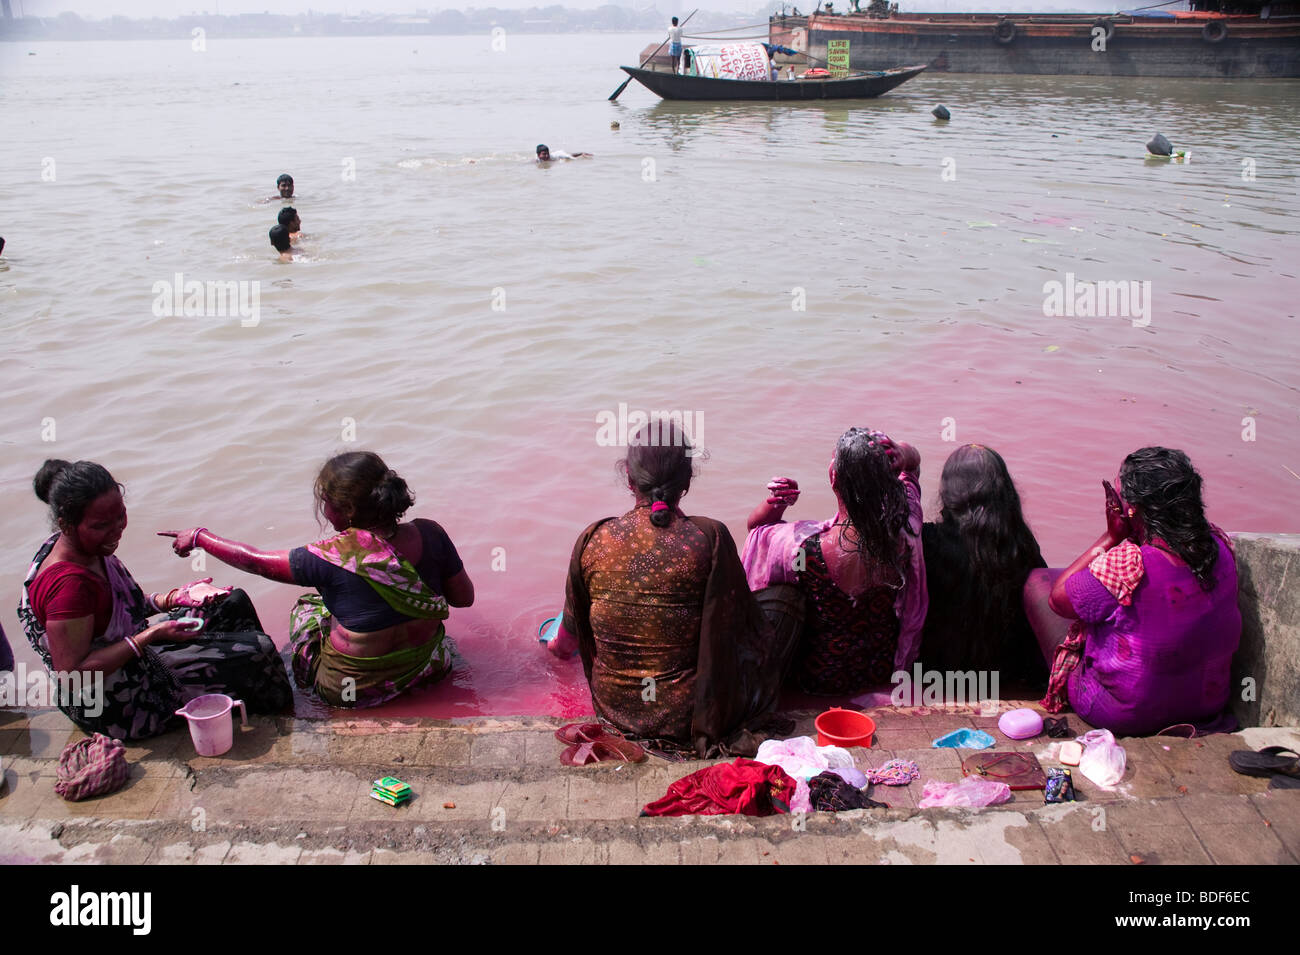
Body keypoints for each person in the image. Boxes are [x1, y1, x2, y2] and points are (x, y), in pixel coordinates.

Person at [162, 451, 474, 709]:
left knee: (308, 609)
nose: (324, 510)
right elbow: (463, 598)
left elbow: (255, 561)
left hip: (354, 691)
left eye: (326, 501)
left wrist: (200, 537)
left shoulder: (328, 557)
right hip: (428, 669)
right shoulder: (431, 533)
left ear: (348, 509)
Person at [551, 421, 785, 756]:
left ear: (629, 479)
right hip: (687, 717)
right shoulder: (709, 537)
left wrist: (551, 647)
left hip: (615, 711)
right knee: (777, 605)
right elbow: (741, 629)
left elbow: (566, 643)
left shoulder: (593, 539)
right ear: (687, 481)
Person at [18, 460, 291, 741]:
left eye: (120, 517)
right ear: (67, 523)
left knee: (233, 602)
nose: (116, 530)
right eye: (101, 525)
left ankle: (240, 687)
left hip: (128, 658)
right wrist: (150, 636)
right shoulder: (69, 585)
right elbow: (74, 673)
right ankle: (262, 717)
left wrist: (174, 599)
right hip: (112, 703)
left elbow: (117, 610)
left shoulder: (85, 548)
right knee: (260, 651)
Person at [1023, 447, 1240, 736]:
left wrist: (1112, 535)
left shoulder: (1128, 565)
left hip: (1125, 714)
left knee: (1039, 582)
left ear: (1132, 509)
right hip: (1206, 706)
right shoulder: (1221, 548)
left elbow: (1058, 600)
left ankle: (1044, 682)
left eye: (1118, 496)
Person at [742, 428, 927, 696]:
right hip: (880, 667)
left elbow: (757, 532)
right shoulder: (907, 531)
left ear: (833, 477)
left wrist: (777, 504)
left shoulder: (801, 546)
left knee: (784, 594)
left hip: (820, 676)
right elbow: (913, 464)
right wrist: (897, 451)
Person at [917, 444, 1046, 685]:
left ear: (948, 495)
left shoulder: (927, 542)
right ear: (1005, 492)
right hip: (1002, 677)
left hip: (934, 675)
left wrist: (910, 469)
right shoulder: (1022, 547)